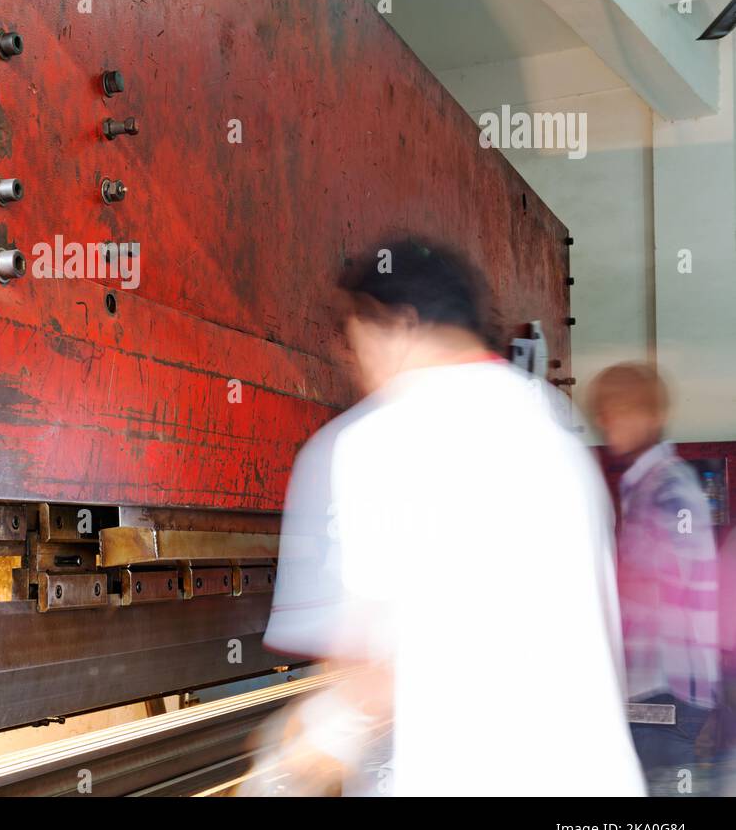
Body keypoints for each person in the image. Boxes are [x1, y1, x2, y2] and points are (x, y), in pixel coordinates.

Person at [257, 239, 644, 796]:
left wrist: (295, 753)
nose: (351, 357)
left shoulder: (375, 442)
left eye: (355, 334)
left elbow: (369, 678)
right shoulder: (554, 428)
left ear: (398, 324)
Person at [588, 363, 721, 796]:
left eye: (618, 410)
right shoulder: (649, 486)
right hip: (660, 688)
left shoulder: (668, 491)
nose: (607, 423)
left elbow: (650, 592)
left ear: (649, 414)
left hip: (665, 689)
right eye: (603, 412)